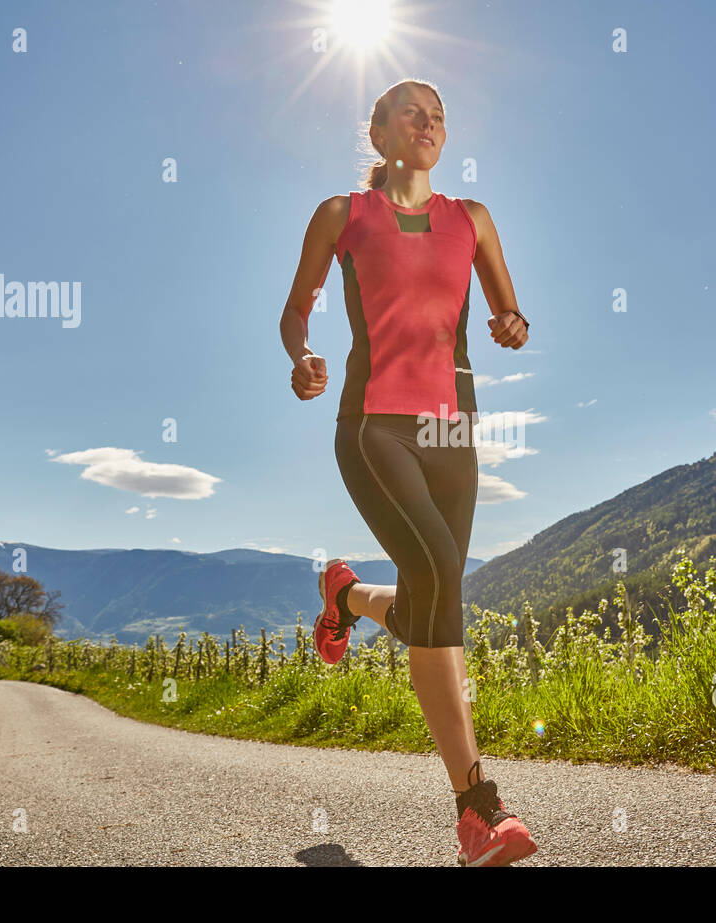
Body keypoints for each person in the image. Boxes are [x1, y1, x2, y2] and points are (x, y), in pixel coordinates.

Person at [279, 78, 537, 866]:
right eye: (411, 114)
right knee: (435, 572)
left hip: (451, 426)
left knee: (433, 588)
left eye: (439, 117)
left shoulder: (474, 220)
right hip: (372, 425)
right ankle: (477, 808)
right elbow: (296, 310)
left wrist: (511, 324)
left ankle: (347, 596)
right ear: (380, 132)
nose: (428, 125)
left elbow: (511, 312)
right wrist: (303, 355)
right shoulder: (343, 216)